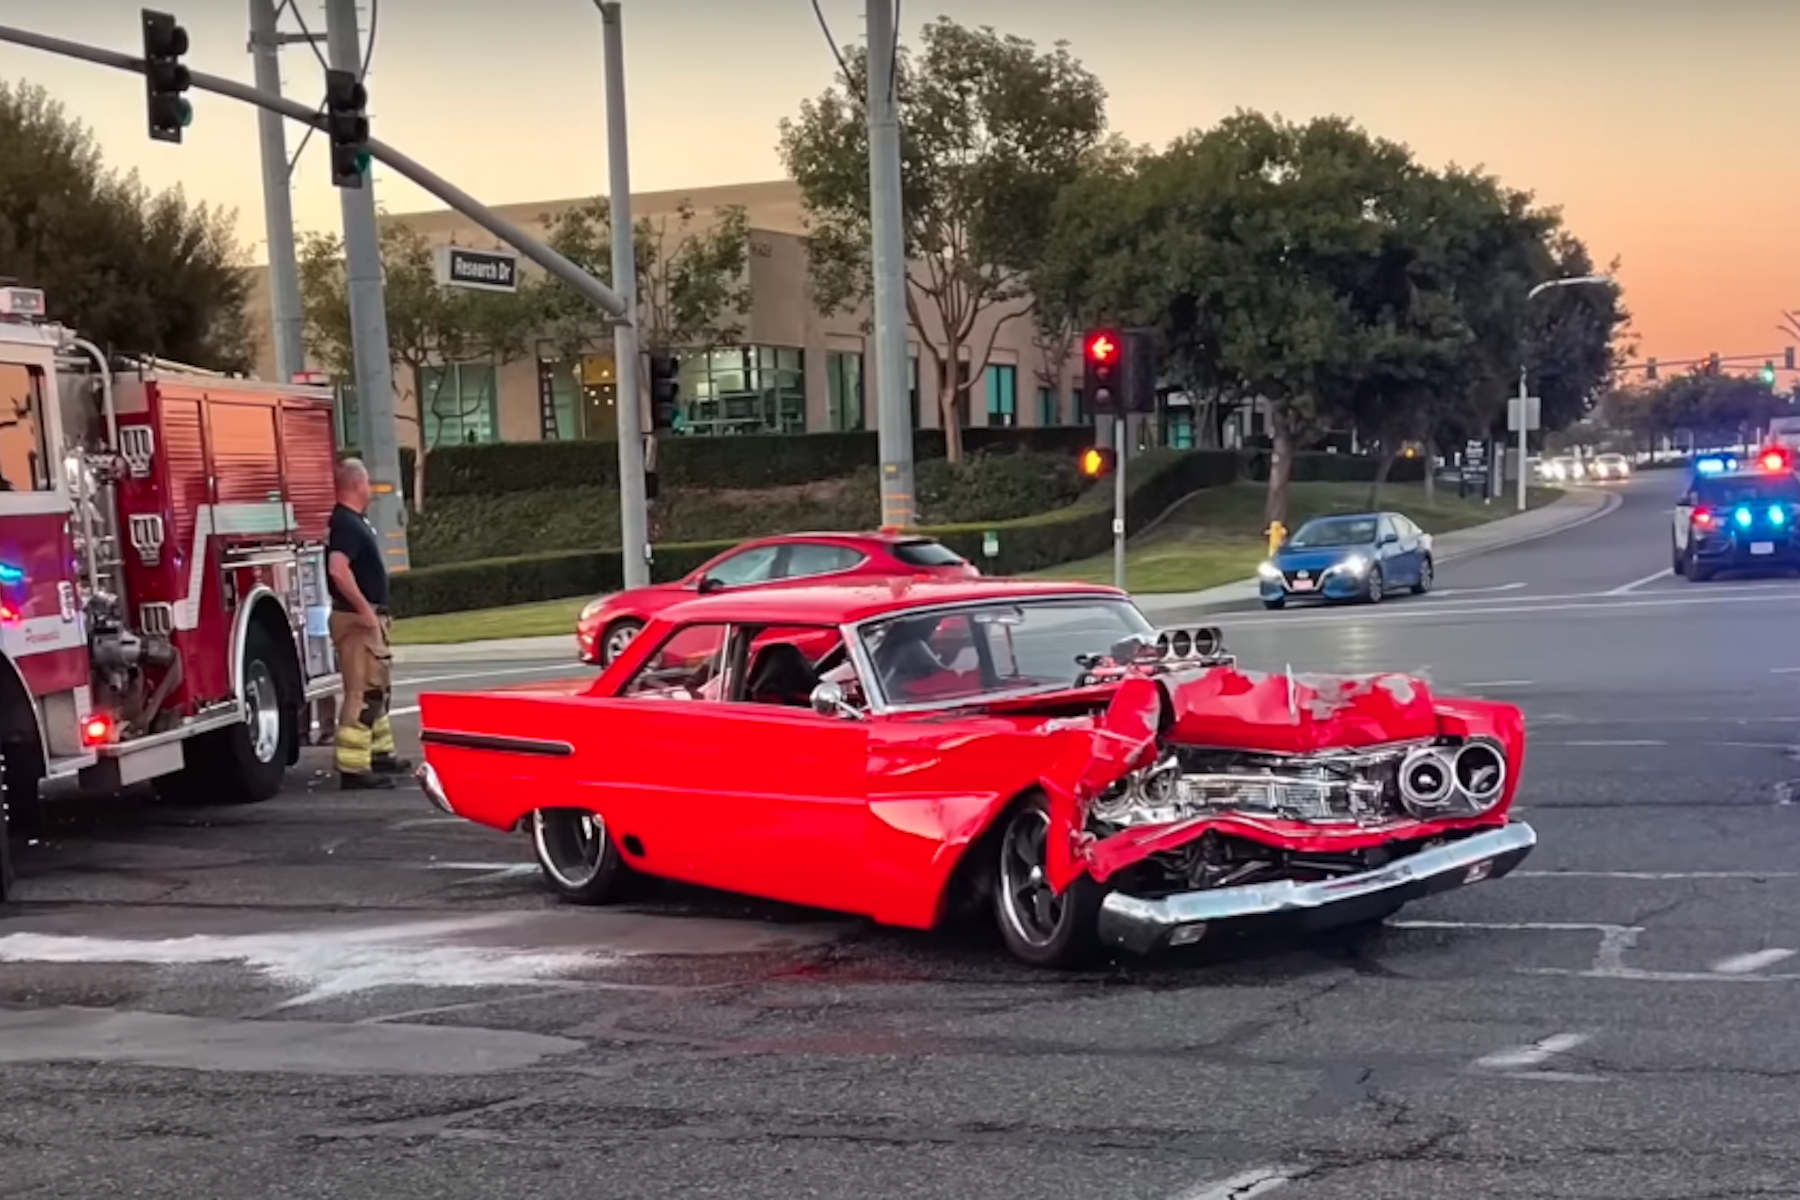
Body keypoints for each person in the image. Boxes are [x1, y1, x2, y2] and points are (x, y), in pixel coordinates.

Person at [326, 458, 409, 789]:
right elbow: (338, 568)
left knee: (376, 688)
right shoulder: (346, 524)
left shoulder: (352, 522)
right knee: (361, 691)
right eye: (367, 482)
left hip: (364, 618)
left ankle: (379, 755)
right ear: (357, 484)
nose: (370, 488)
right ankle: (354, 769)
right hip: (357, 621)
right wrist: (364, 610)